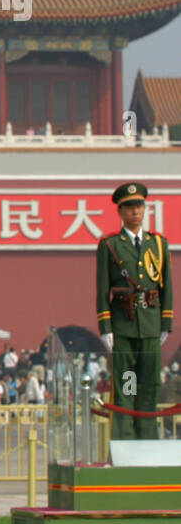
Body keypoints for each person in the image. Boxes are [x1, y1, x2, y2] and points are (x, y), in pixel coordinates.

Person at [98, 182, 173, 440]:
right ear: (120, 211)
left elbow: (167, 287)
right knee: (127, 385)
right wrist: (106, 326)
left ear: (145, 209)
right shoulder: (110, 245)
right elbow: (102, 289)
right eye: (129, 207)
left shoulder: (159, 244)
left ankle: (148, 438)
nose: (135, 212)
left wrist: (165, 322)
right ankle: (125, 439)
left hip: (151, 325)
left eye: (139, 206)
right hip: (124, 327)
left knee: (150, 383)